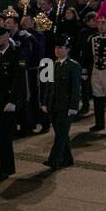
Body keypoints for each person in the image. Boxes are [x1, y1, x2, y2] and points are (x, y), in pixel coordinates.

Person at [0, 25, 25, 181]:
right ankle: (6, 167)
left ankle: (4, 169)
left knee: (5, 137)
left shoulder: (16, 55)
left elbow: (18, 80)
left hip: (8, 101)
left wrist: (13, 101)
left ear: (7, 37)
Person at [45, 37, 82, 170]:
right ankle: (68, 158)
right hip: (54, 104)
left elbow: (75, 88)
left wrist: (73, 106)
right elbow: (48, 87)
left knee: (61, 134)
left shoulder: (73, 66)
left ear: (68, 49)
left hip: (66, 105)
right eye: (56, 48)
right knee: (61, 133)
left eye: (61, 48)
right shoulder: (52, 65)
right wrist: (45, 103)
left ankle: (53, 160)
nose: (58, 50)